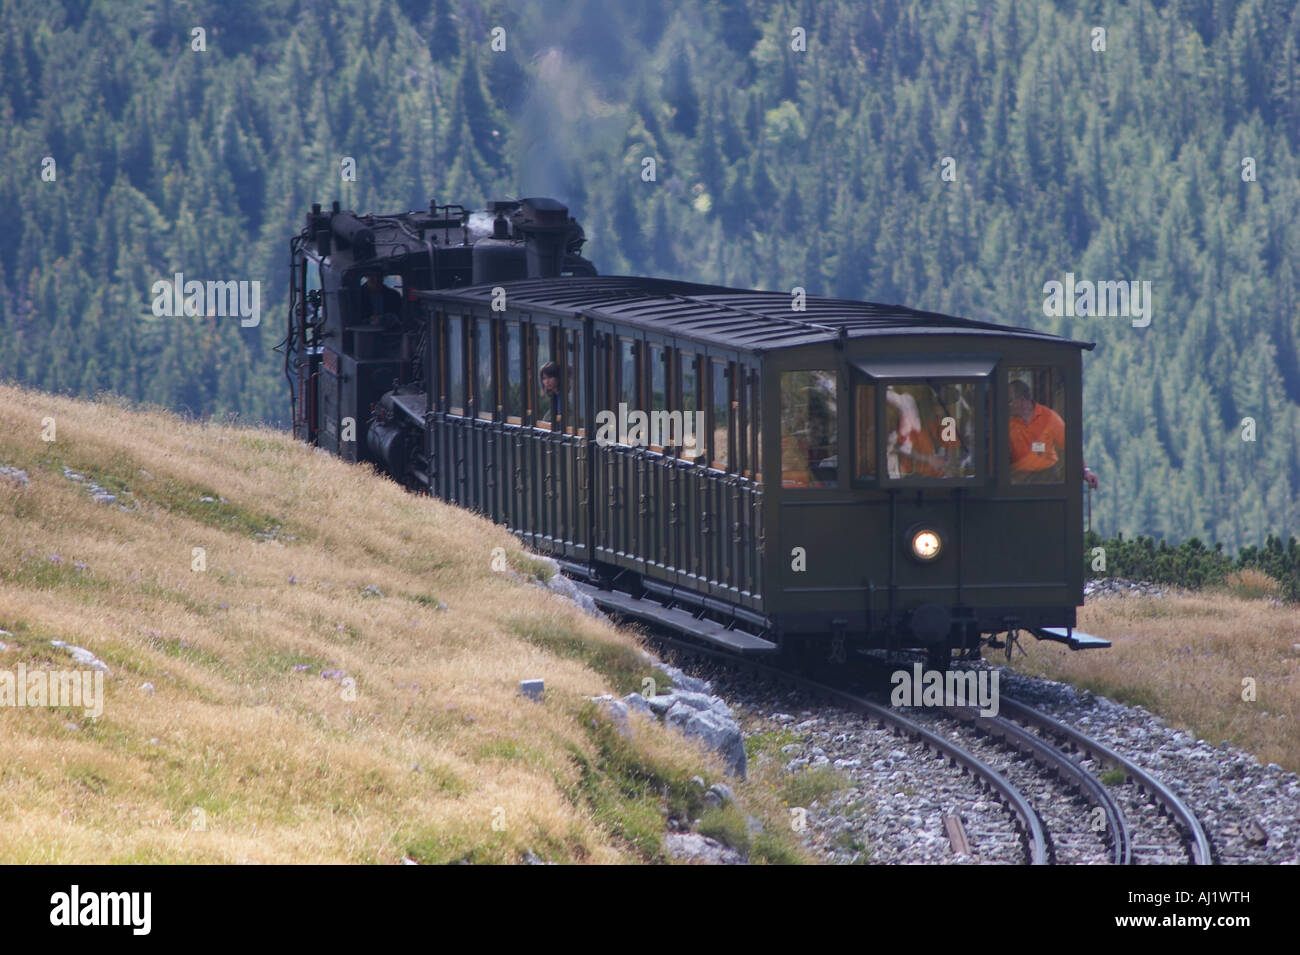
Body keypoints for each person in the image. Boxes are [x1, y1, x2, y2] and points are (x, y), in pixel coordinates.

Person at [1008, 378, 1099, 489]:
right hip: (1016, 483)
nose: (1007, 405)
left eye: (1009, 401)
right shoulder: (1007, 423)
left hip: (1047, 481)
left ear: (1022, 401)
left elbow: (1071, 447)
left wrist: (1085, 471)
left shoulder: (1049, 418)